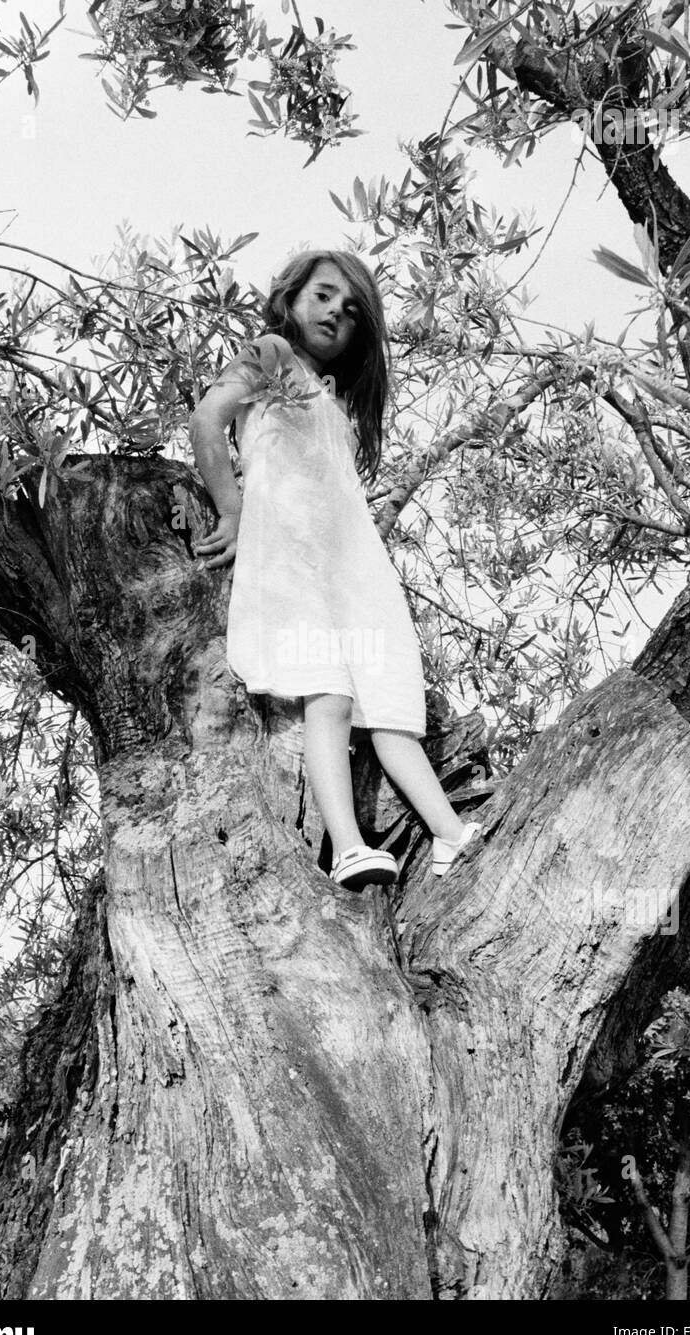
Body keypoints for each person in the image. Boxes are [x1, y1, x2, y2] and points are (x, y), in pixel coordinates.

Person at [187, 248, 479, 890]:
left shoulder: (338, 400)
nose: (334, 313)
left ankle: (450, 833)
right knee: (330, 691)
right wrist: (230, 509)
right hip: (289, 552)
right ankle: (348, 846)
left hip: (350, 565)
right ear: (289, 298)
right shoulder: (271, 354)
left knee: (389, 701)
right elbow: (208, 416)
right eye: (321, 296)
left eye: (350, 311)